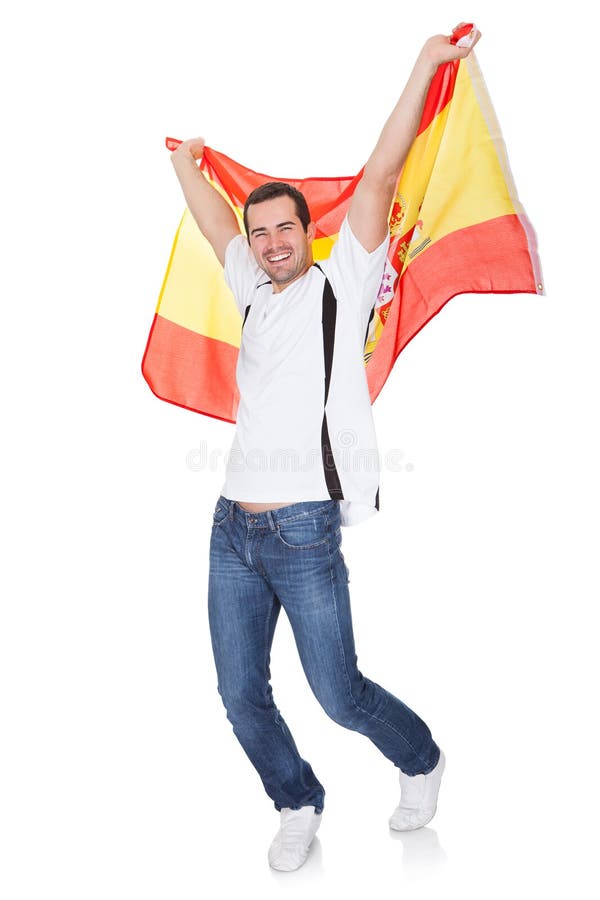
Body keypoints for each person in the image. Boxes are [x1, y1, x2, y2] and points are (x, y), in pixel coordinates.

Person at [170, 23, 481, 872]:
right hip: (231, 527)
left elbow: (381, 172)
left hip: (304, 530)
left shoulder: (342, 280)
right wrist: (184, 169)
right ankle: (297, 799)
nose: (270, 242)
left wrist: (425, 65)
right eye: (258, 231)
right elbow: (209, 224)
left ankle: (421, 759)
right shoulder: (251, 287)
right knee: (240, 695)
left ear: (310, 232)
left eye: (284, 229)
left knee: (338, 693)